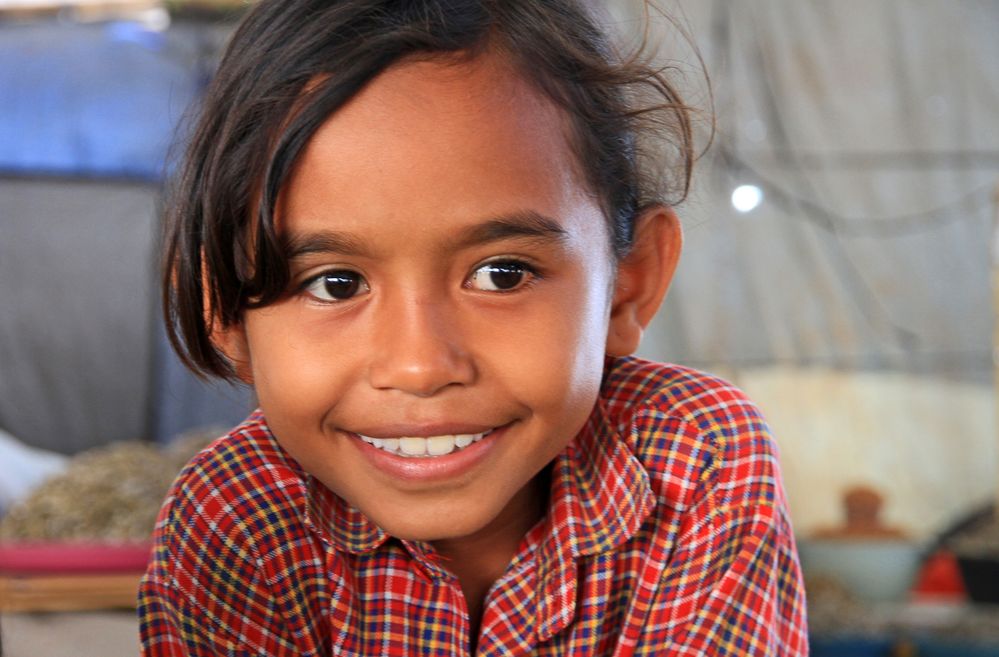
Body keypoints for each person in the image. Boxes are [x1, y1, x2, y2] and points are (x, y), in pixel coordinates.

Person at [138, 1, 808, 654]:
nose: (420, 365)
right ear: (224, 312)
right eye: (334, 283)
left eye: (502, 274)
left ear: (626, 284)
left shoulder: (694, 463)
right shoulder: (234, 519)